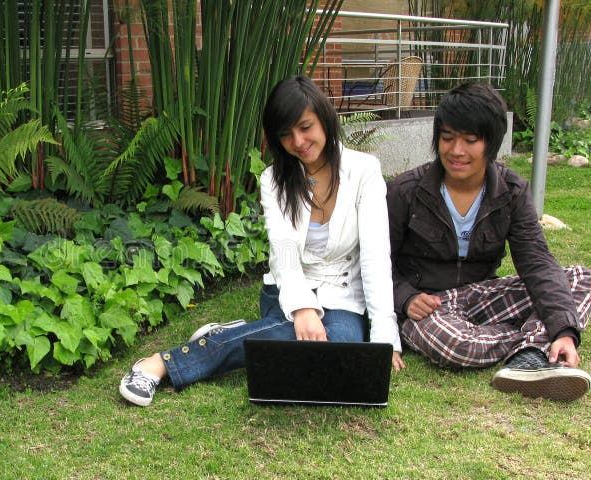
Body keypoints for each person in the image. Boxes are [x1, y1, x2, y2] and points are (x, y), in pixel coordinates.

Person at [119, 76, 405, 407]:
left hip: (341, 293)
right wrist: (302, 308)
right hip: (286, 289)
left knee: (338, 348)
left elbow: (375, 255)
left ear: (325, 118)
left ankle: (235, 334)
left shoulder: (364, 170)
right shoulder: (274, 179)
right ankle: (162, 363)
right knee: (298, 335)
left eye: (305, 127)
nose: (298, 141)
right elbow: (284, 253)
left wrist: (386, 338)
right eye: (286, 134)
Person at [386, 82, 591, 401]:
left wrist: (564, 331)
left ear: (491, 143)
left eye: (471, 140)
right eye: (448, 137)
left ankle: (531, 354)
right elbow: (374, 262)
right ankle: (533, 341)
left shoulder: (511, 191)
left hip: (481, 297)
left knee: (581, 277)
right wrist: (405, 298)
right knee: (454, 344)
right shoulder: (406, 191)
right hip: (427, 307)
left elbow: (536, 262)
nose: (456, 151)